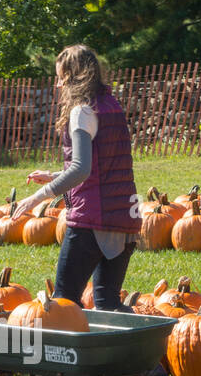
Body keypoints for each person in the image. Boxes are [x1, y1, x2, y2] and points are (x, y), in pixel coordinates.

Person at [12, 44, 139, 311]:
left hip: (91, 220)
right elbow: (101, 166)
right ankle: (129, 349)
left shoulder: (82, 111)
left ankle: (72, 353)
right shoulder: (110, 104)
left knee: (64, 301)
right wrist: (55, 175)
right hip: (125, 216)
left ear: (75, 77)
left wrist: (37, 198)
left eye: (62, 77)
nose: (58, 85)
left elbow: (81, 169)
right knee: (107, 303)